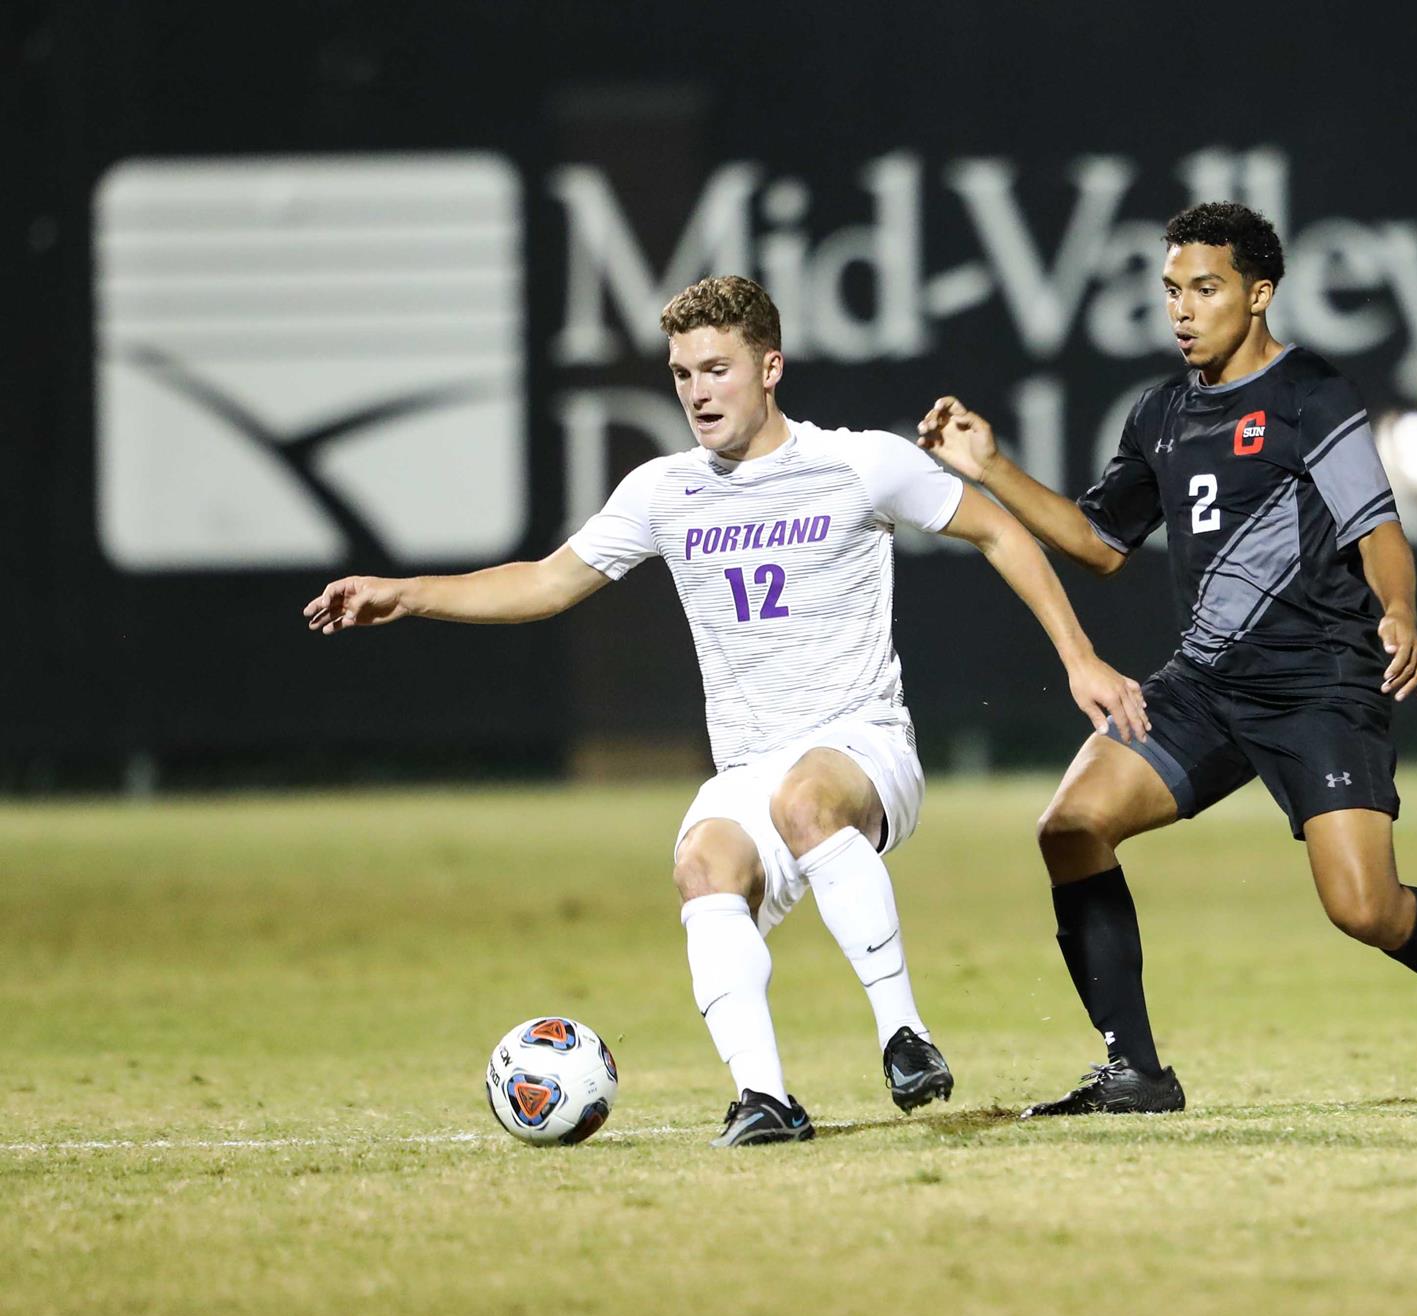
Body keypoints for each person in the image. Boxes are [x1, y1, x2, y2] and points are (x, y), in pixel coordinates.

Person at [305, 275, 1148, 1145]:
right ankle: (765, 1099)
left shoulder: (859, 463)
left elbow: (999, 529)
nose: (697, 392)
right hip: (751, 765)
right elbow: (545, 583)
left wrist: (1079, 658)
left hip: (863, 746)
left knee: (805, 799)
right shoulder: (662, 490)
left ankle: (905, 1034)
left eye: (717, 369)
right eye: (681, 374)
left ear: (769, 367)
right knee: (703, 862)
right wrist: (406, 593)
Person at [916, 202, 1417, 1115]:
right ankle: (1135, 1070)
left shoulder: (1309, 394)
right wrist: (992, 467)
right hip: (1205, 686)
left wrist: (1401, 611)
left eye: (1204, 289)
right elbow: (1099, 544)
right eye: (1171, 290)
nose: (1182, 309)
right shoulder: (1161, 412)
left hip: (1319, 685)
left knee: (1363, 907)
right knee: (1071, 826)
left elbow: (1377, 528)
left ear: (1259, 294)